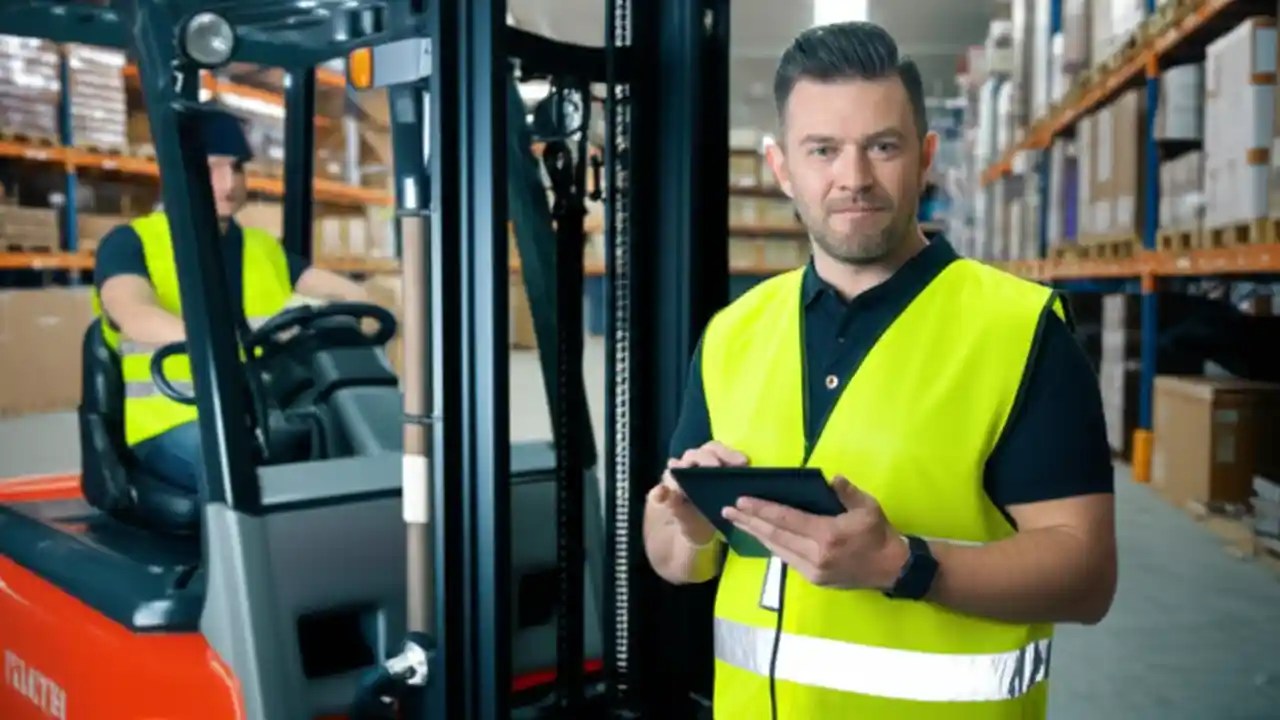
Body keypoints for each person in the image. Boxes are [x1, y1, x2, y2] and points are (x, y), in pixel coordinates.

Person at [643, 22, 1117, 719]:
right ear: (782, 168)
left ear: (925, 158)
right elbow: (670, 557)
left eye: (883, 146)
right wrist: (689, 526)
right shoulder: (732, 334)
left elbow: (1087, 577)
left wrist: (905, 565)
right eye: (823, 150)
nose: (854, 178)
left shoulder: (1017, 331)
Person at [92, 105, 369, 494]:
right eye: (212, 168)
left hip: (261, 412)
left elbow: (348, 294)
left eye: (237, 167)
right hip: (171, 421)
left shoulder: (262, 248)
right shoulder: (130, 243)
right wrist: (217, 346)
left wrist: (373, 308)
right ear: (178, 172)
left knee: (357, 443)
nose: (230, 182)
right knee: (236, 469)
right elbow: (133, 312)